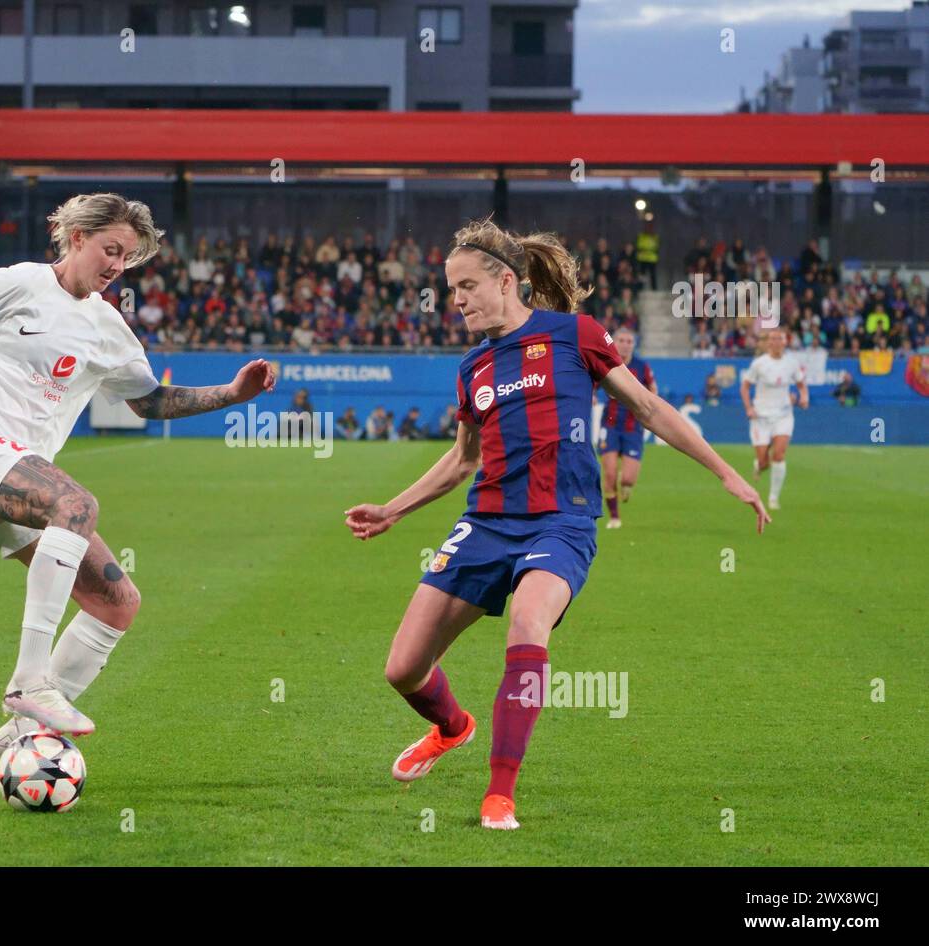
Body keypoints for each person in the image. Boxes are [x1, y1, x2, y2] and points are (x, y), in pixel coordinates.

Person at [344, 218, 767, 831]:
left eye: (465, 286)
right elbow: (464, 459)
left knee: (528, 618)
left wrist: (725, 472)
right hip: (486, 522)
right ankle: (453, 727)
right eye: (451, 288)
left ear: (506, 281)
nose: (454, 300)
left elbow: (647, 408)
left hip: (560, 522)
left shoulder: (575, 336)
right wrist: (392, 509)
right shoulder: (472, 368)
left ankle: (499, 794)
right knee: (402, 669)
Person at [0, 193, 275, 757]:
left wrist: (231, 394)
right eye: (111, 250)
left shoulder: (107, 327)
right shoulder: (18, 283)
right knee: (76, 505)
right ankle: (29, 684)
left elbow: (150, 401)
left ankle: (22, 736)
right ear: (77, 237)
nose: (116, 266)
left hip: (20, 479)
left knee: (117, 602)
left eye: (127, 259)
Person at [740, 327, 808, 510]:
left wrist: (803, 397)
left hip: (783, 415)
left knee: (779, 454)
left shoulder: (792, 363)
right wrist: (749, 408)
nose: (776, 342)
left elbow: (801, 385)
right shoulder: (759, 364)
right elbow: (745, 387)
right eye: (773, 339)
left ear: (785, 341)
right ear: (768, 342)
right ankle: (759, 464)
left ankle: (773, 497)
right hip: (761, 416)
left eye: (780, 338)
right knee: (764, 462)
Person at [597, 328, 657, 529]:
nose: (625, 344)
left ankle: (627, 485)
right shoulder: (605, 361)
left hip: (633, 427)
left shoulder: (641, 367)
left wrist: (650, 409)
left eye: (629, 341)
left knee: (628, 479)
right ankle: (614, 517)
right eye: (621, 340)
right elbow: (593, 383)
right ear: (614, 342)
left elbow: (652, 389)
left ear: (634, 344)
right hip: (610, 424)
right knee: (610, 473)